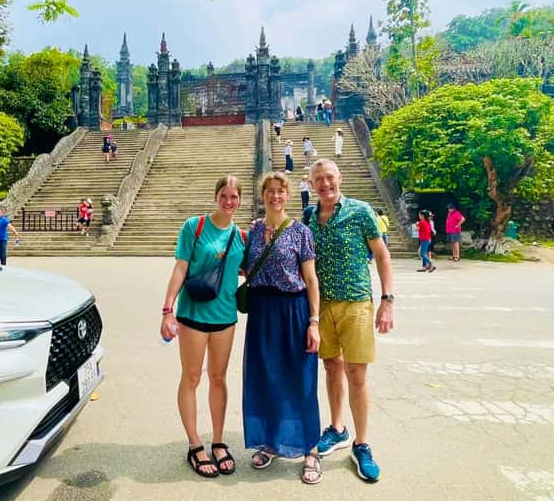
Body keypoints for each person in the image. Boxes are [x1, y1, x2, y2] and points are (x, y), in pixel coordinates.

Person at [303, 159, 395, 484]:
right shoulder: (308, 218)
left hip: (356, 303)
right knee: (331, 366)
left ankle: (362, 443)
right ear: (311, 184)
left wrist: (387, 300)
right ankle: (338, 428)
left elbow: (382, 254)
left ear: (339, 178)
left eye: (329, 177)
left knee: (356, 373)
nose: (325, 184)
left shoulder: (360, 211)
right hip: (322, 306)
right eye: (318, 180)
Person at [160, 176, 247, 479]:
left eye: (234, 196)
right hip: (193, 313)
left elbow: (251, 270)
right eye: (223, 195)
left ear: (240, 200)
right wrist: (168, 309)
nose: (228, 201)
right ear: (216, 196)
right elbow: (181, 268)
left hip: (225, 315)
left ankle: (219, 441)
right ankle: (195, 444)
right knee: (193, 376)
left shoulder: (241, 236)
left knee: (219, 377)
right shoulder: (194, 227)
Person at [242, 172, 323, 484]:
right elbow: (244, 267)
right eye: (270, 191)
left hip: (293, 310)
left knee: (300, 379)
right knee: (266, 376)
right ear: (262, 195)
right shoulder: (253, 231)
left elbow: (311, 279)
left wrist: (314, 322)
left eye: (280, 191)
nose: (275, 196)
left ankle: (310, 449)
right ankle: (272, 441)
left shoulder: (301, 232)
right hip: (262, 312)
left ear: (288, 195)